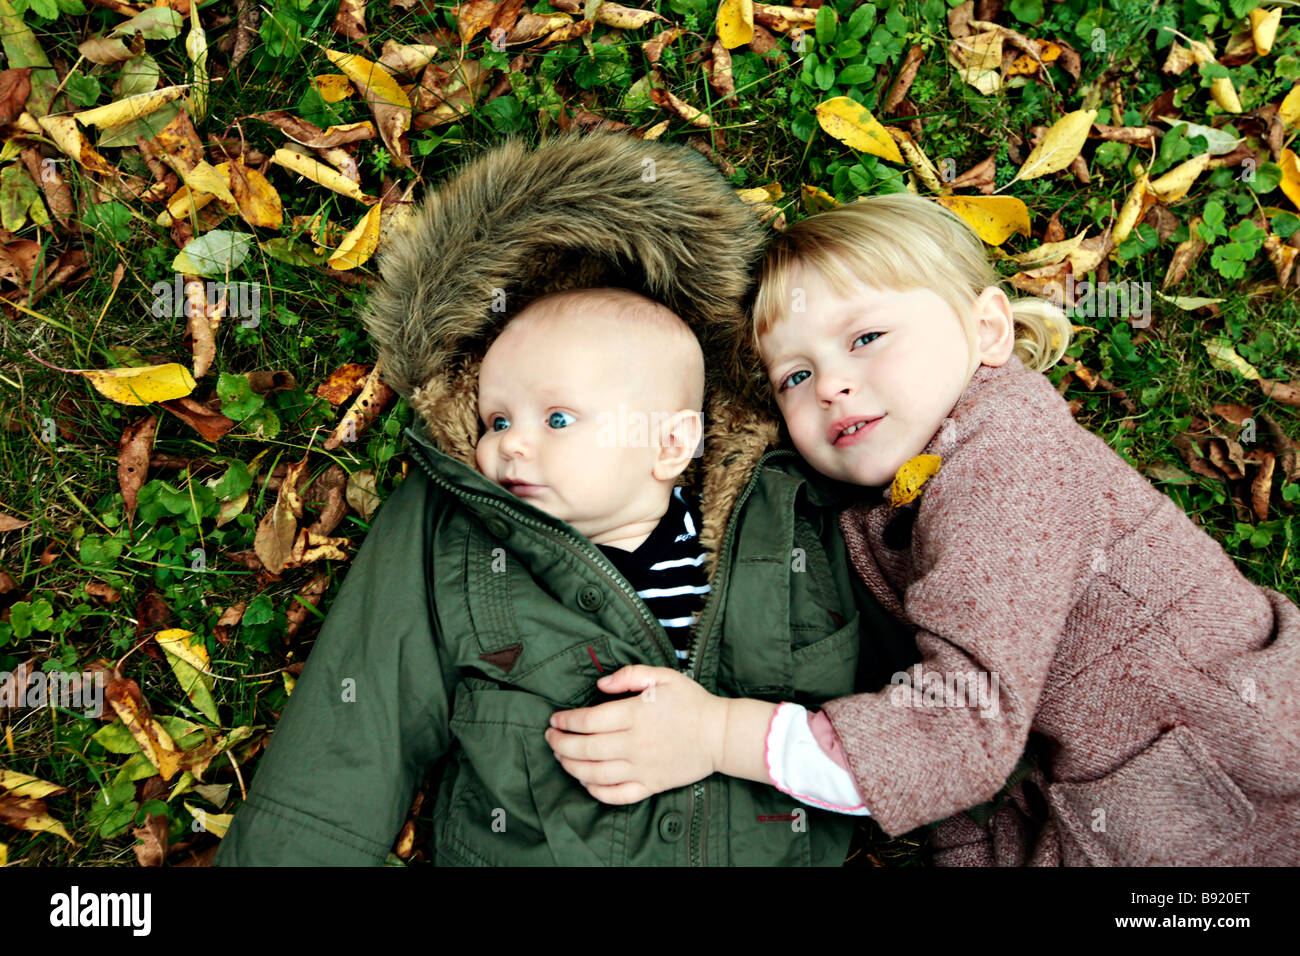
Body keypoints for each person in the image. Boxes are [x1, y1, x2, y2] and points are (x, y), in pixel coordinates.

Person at [211, 131, 920, 866]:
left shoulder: (795, 516)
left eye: (556, 420)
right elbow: (350, 737)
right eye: (495, 421)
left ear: (670, 442)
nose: (509, 445)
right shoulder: (453, 528)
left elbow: (951, 705)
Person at [545, 190, 1300, 866]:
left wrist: (717, 737)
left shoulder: (1010, 465)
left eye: (866, 338)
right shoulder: (901, 487)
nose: (833, 384)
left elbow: (961, 730)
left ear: (988, 329)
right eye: (795, 377)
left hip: (1243, 796)